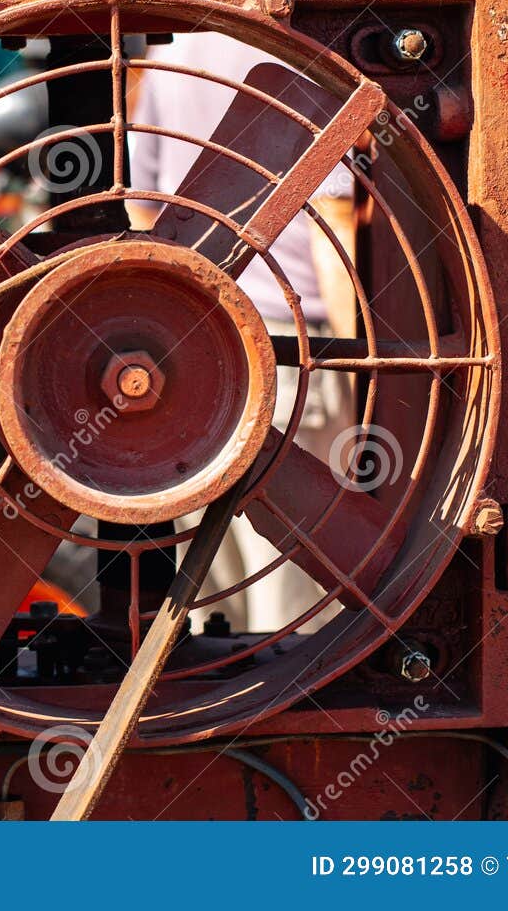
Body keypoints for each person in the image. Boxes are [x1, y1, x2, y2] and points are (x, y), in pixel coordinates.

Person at [128, 32, 359, 632]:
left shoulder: (169, 50)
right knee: (298, 567)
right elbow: (333, 218)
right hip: (291, 343)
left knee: (207, 556)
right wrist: (364, 358)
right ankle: (295, 696)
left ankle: (221, 693)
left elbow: (143, 205)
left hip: (191, 336)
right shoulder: (299, 53)